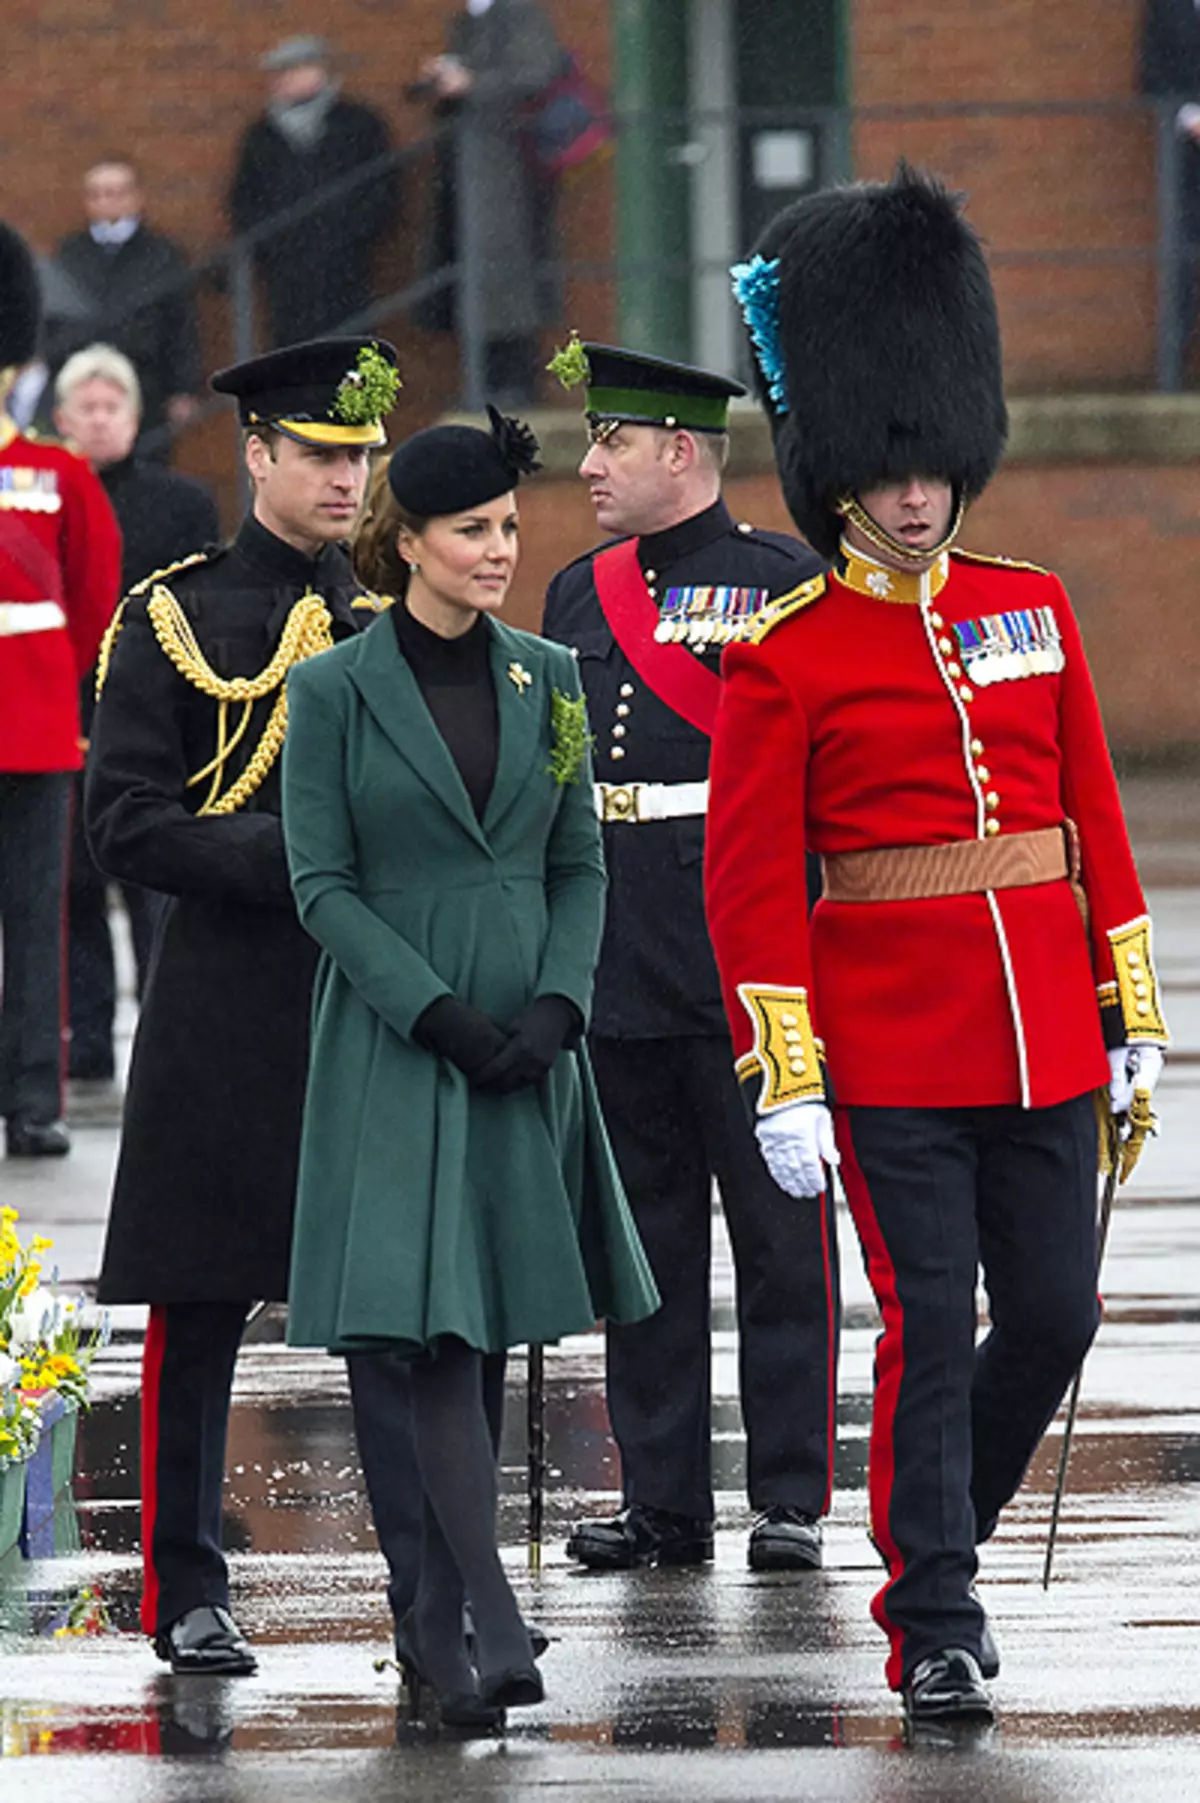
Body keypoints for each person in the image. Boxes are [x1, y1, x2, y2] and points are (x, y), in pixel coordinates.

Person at [707, 166, 1169, 1727]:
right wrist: (784, 1069)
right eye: (889, 472)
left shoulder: (1028, 605)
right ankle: (937, 1614)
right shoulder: (785, 655)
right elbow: (755, 881)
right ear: (840, 471)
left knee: (1055, 1313)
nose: (916, 495)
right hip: (890, 1048)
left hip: (1045, 1023)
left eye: (933, 468)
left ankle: (934, 1517)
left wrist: (1133, 1003)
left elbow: (1091, 815)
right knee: (924, 1316)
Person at [281, 407, 658, 1725]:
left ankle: (454, 1634)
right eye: (473, 529)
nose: (501, 548)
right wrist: (436, 1012)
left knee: (482, 1331)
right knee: (425, 1336)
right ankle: (463, 1614)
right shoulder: (330, 688)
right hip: (398, 1043)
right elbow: (321, 884)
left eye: (508, 525)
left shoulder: (548, 679)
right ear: (410, 542)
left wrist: (559, 1005)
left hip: (527, 1046)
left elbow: (576, 856)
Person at [85, 335, 422, 1676]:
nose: (348, 482)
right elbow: (124, 819)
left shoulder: (404, 612)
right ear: (261, 455)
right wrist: (300, 867)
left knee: (402, 1301)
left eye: (361, 457)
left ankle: (432, 1572)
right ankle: (186, 1584)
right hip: (227, 991)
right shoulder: (179, 612)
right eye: (322, 456)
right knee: (202, 1295)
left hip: (373, 993)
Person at [540, 341, 839, 1575]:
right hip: (618, 959)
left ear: (681, 452)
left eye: (613, 443)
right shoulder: (575, 591)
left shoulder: (785, 580)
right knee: (643, 1248)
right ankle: (662, 1496)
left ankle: (788, 1497)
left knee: (780, 1245)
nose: (590, 464)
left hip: (742, 962)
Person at [54, 345, 219, 1105]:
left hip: (159, 713)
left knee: (159, 879)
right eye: (84, 407)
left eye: (109, 406)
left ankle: (166, 1024)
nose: (98, 418)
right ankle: (85, 1040)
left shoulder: (181, 503)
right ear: (61, 419)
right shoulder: (41, 497)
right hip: (69, 711)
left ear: (135, 414)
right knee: (72, 886)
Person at [0, 224, 122, 1160]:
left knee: (37, 920)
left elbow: (90, 605)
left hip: (36, 726)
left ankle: (33, 1096)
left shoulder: (58, 474)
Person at [414, 0, 563, 404]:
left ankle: (513, 383)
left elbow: (537, 74)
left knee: (506, 275)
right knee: (475, 273)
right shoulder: (467, 21)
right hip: (471, 167)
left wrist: (471, 83)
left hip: (508, 164)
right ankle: (484, 382)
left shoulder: (520, 15)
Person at [229, 36, 395, 349]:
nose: (280, 80)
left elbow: (382, 188)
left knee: (351, 346)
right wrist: (270, 245)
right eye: (278, 73)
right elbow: (244, 198)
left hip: (347, 261)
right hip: (286, 267)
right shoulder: (261, 135)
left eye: (290, 71)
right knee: (293, 350)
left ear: (318, 72)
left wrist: (353, 232)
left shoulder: (358, 124)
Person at [47, 159, 204, 446]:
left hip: (145, 382)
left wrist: (184, 388)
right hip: (79, 379)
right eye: (97, 194)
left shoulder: (162, 254)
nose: (106, 202)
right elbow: (53, 319)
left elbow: (182, 323)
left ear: (136, 197)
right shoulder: (69, 253)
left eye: (116, 193)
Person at [1141, 0, 1200, 366]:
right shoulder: (1166, 6)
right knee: (1181, 248)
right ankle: (1174, 362)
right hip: (1184, 153)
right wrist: (1189, 115)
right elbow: (1150, 73)